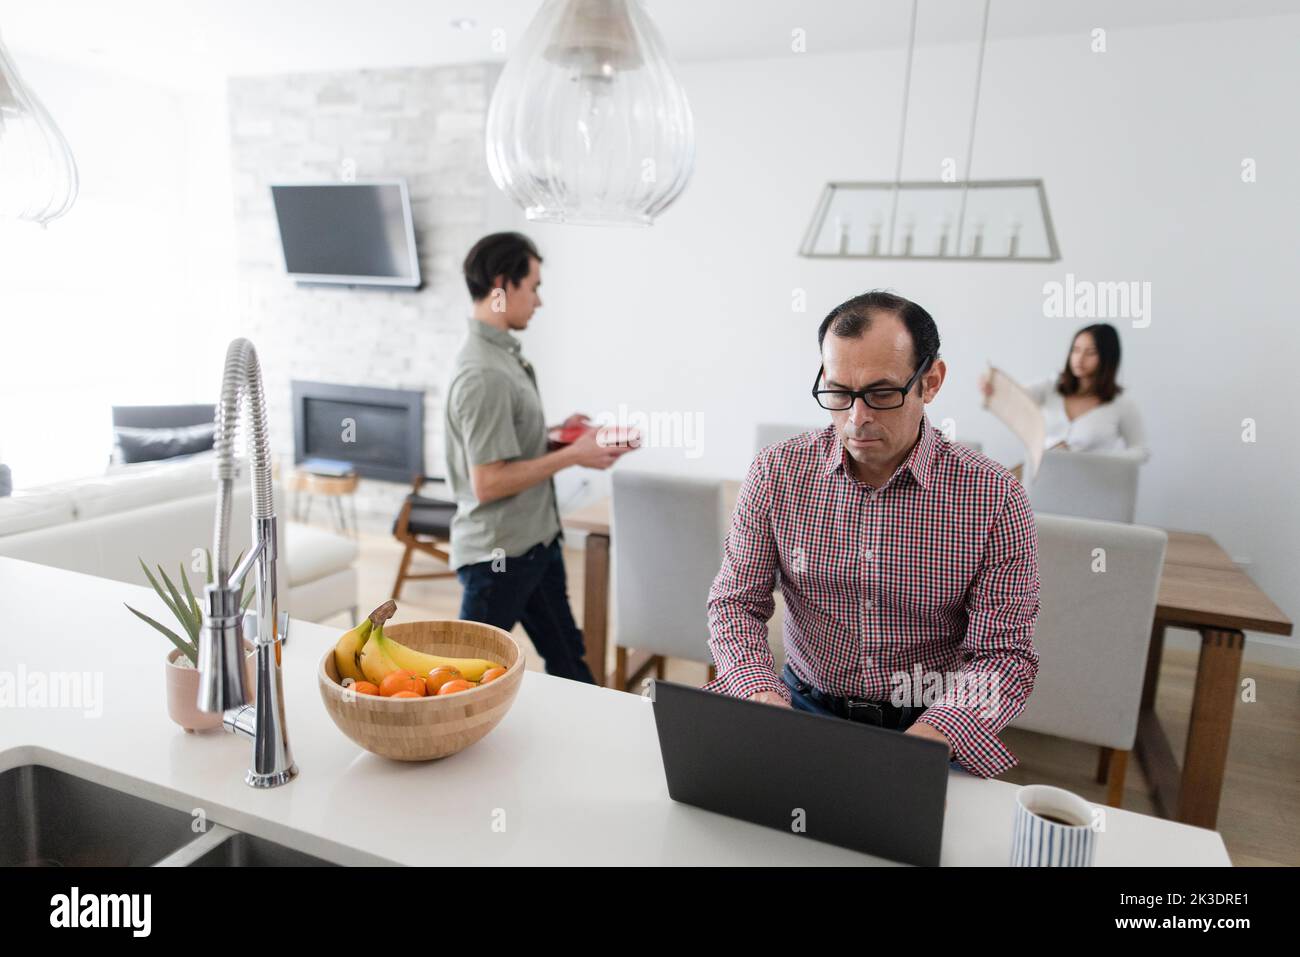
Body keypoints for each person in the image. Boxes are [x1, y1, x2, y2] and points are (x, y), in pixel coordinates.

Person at [705, 290, 1040, 778]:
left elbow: (1004, 656)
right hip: (801, 708)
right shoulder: (777, 473)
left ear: (931, 381)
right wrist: (760, 695)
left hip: (934, 724)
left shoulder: (994, 498)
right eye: (839, 393)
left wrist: (929, 740)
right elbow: (735, 603)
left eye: (882, 394)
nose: (856, 419)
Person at [444, 232, 636, 683]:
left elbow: (502, 443)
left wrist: (556, 435)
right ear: (501, 285)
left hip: (534, 542)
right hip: (501, 554)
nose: (539, 301)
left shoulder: (502, 359)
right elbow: (487, 482)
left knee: (571, 662)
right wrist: (573, 454)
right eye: (533, 286)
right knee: (464, 681)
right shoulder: (483, 373)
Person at [980, 322, 1148, 461]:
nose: (1079, 359)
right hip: (1045, 479)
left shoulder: (1121, 404)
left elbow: (1140, 451)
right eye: (1075, 350)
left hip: (1092, 486)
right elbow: (1015, 395)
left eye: (1090, 353)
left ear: (1107, 358)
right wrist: (992, 385)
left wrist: (1101, 461)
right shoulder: (1052, 386)